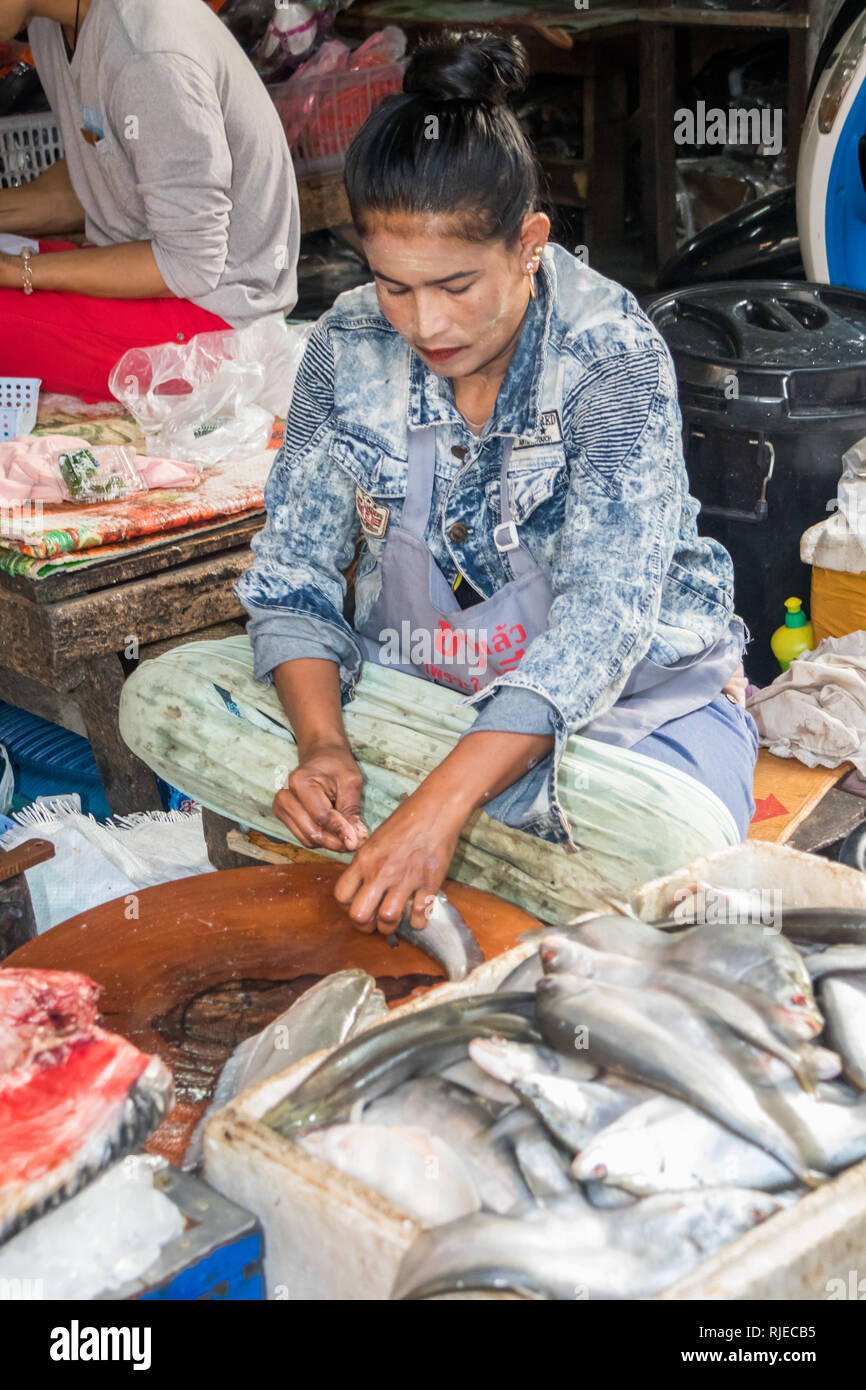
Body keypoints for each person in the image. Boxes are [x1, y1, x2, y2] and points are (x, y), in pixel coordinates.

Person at [120, 32, 758, 932]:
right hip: (418, 692)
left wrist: (436, 809)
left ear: (530, 242)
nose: (425, 323)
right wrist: (323, 747)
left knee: (686, 864)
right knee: (163, 697)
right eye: (394, 286)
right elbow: (294, 578)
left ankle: (452, 835)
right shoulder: (346, 343)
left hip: (615, 716)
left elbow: (600, 628)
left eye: (456, 285)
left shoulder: (609, 355)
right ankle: (450, 840)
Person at [0, 0, 300, 400]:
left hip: (217, 318)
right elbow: (100, 174)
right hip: (152, 274)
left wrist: (25, 272)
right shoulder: (51, 24)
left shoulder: (145, 53)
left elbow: (189, 266)